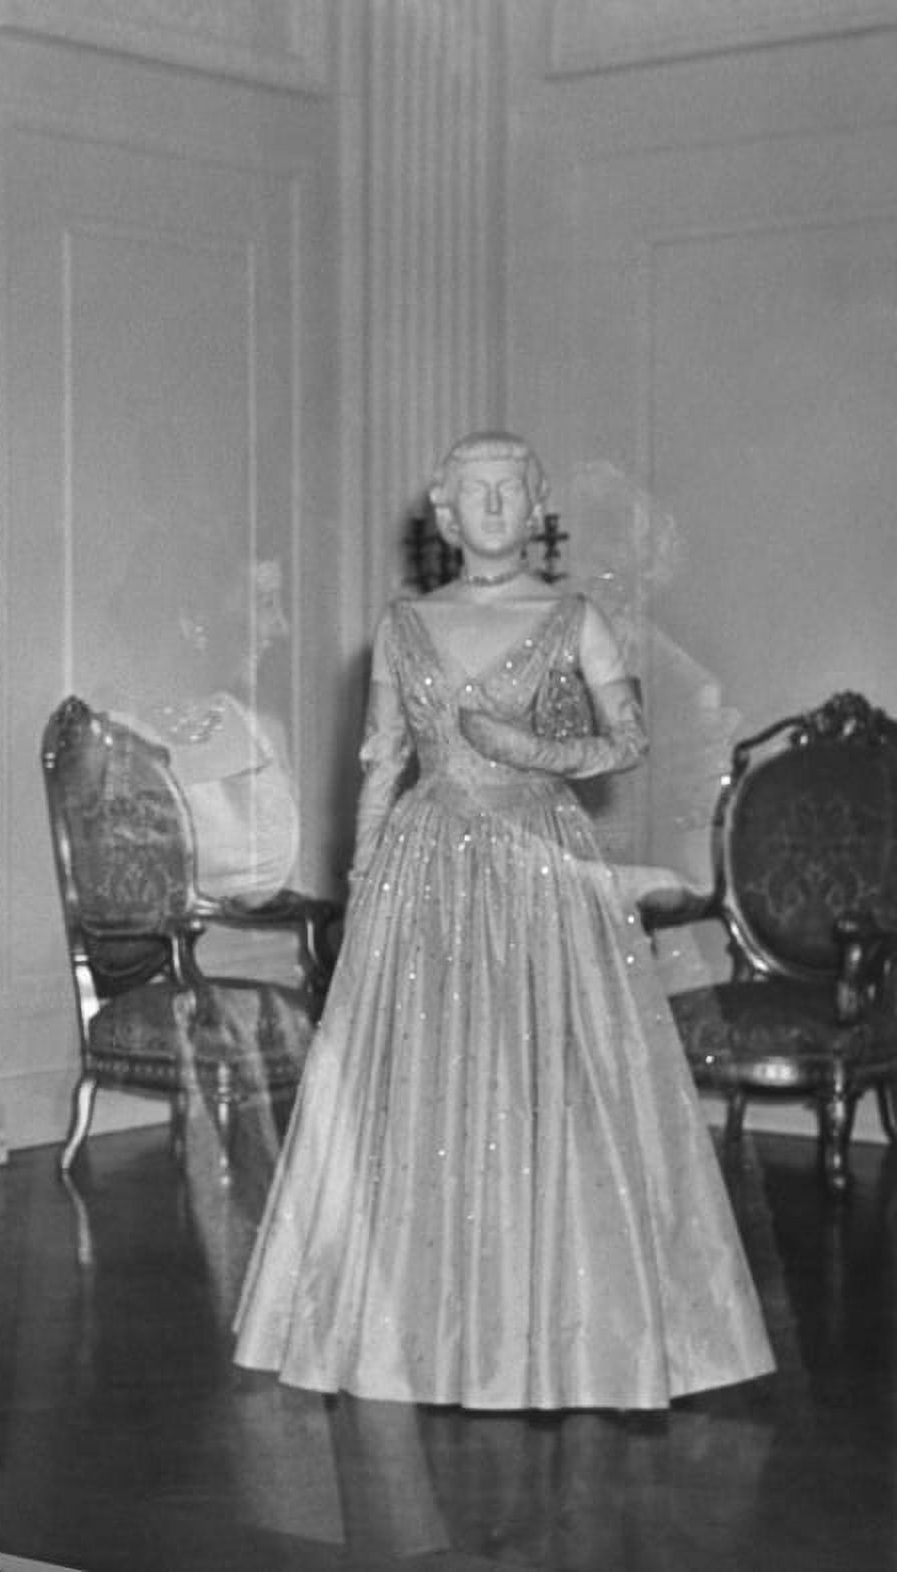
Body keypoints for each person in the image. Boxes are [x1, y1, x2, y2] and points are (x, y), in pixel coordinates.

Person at [232, 431, 774, 1409]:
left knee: (552, 1081)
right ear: (442, 515)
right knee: (419, 1088)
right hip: (419, 865)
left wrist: (531, 746)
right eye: (471, 492)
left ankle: (558, 1332)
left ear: (534, 514)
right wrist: (360, 886)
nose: (488, 507)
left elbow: (627, 743)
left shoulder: (573, 619)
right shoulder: (401, 624)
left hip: (539, 864)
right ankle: (416, 1326)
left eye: (506, 491)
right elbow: (377, 764)